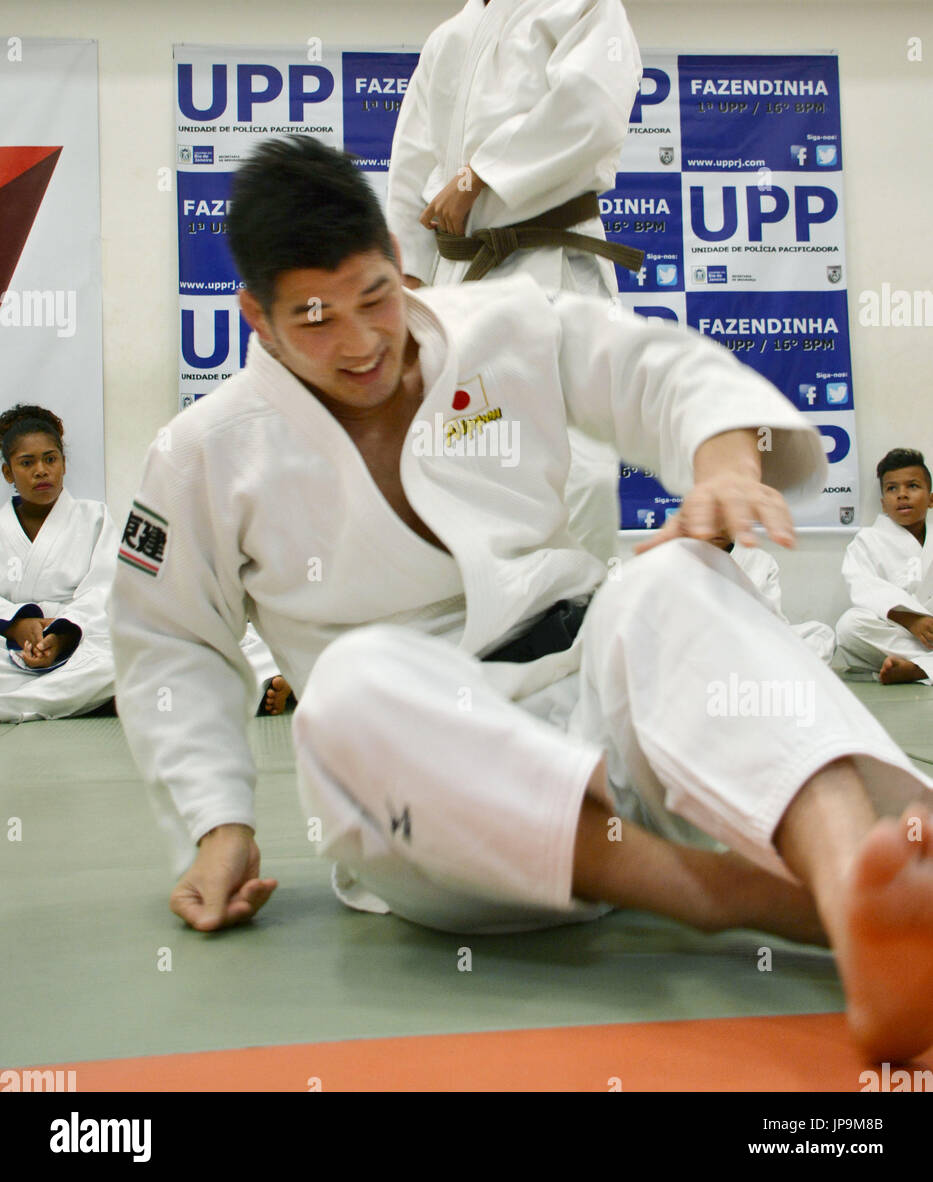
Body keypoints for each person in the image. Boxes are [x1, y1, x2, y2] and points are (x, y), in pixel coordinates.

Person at [112, 139, 933, 1064]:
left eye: (375, 294)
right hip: (441, 804)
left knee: (669, 575)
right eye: (314, 318)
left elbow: (658, 373)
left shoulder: (500, 323)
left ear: (393, 250)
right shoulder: (207, 450)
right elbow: (169, 642)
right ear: (254, 316)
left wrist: (723, 460)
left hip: (595, 703)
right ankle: (748, 899)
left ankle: (857, 894)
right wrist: (216, 824)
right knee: (345, 689)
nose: (360, 342)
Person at [386, 0, 643, 560]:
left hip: (551, 268)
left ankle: (577, 626)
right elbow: (411, 164)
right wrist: (404, 279)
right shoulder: (447, 40)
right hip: (460, 284)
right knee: (460, 452)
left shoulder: (582, 2)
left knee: (577, 461)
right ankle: (484, 629)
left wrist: (480, 176)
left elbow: (589, 109)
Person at [0, 404, 118, 722]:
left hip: (79, 641)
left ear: (63, 464)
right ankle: (98, 702)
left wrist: (62, 635)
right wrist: (16, 623)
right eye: (27, 463)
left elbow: (104, 589)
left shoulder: (94, 517)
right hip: (9, 646)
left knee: (128, 653)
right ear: (8, 472)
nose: (41, 470)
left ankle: (82, 698)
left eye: (50, 459)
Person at [836, 448, 933, 685]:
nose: (902, 495)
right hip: (899, 630)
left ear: (931, 499)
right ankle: (923, 666)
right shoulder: (867, 540)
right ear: (883, 503)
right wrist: (911, 620)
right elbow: (863, 587)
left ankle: (918, 668)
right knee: (849, 626)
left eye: (912, 486)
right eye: (892, 488)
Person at [708, 531, 836, 664]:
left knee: (821, 635)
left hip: (753, 641)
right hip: (705, 642)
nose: (718, 527)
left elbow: (773, 623)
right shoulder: (685, 554)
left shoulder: (760, 559)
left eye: (723, 518)